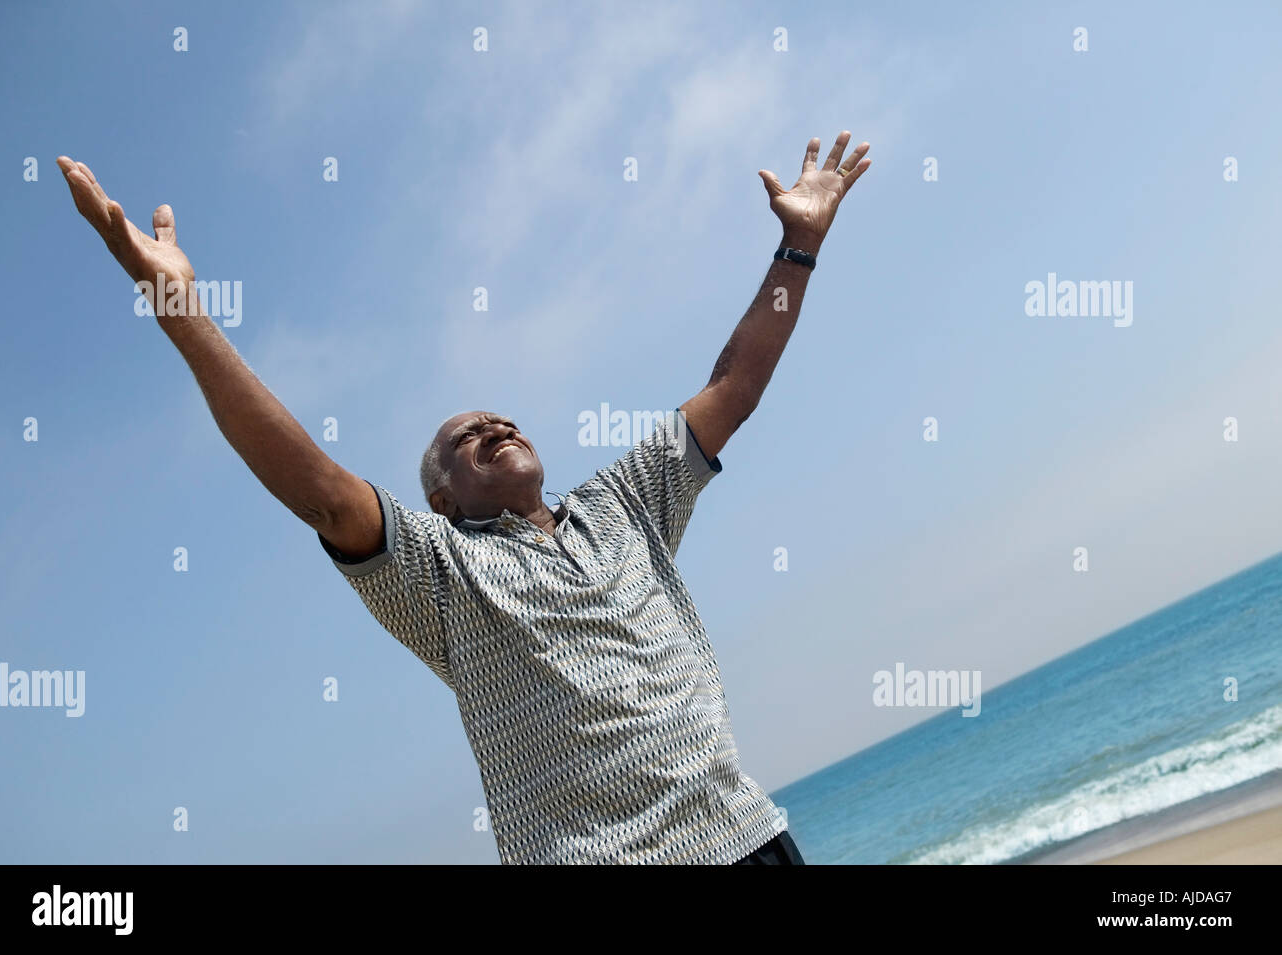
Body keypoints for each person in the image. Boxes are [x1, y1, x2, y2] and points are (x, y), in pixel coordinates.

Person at [57, 129, 871, 864]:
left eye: (502, 416)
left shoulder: (627, 501)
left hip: (748, 835)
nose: (495, 424)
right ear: (441, 501)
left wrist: (798, 243)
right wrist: (178, 305)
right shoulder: (441, 571)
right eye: (467, 435)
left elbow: (733, 385)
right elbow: (321, 492)